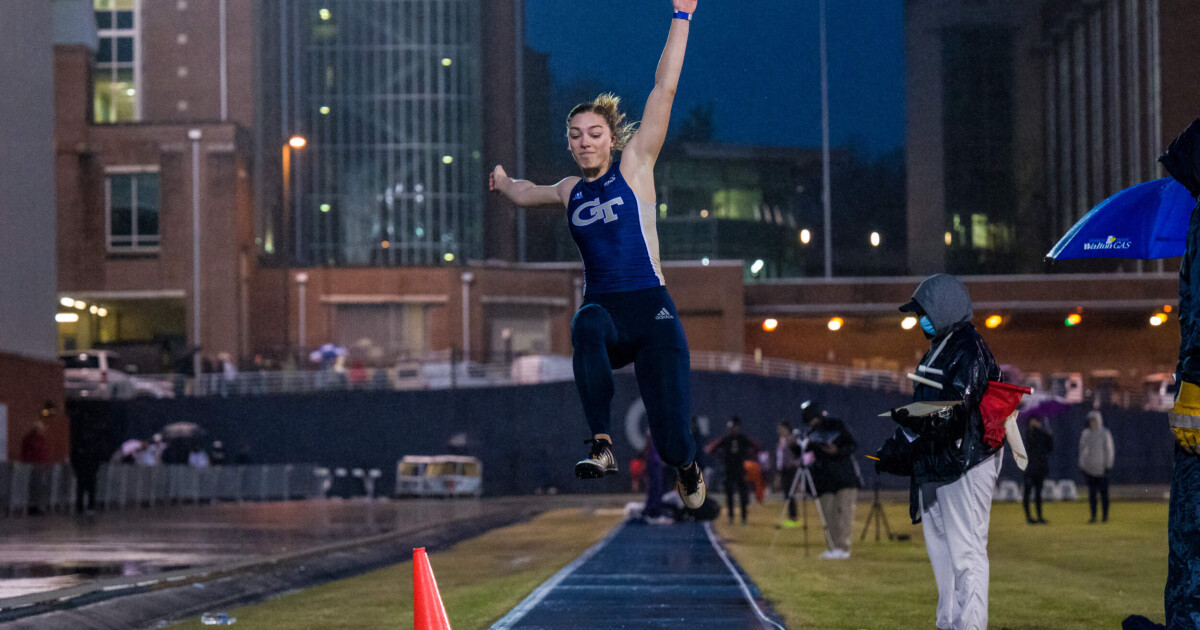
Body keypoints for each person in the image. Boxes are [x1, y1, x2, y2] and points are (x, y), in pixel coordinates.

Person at [489, 0, 705, 509]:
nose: (585, 143)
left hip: (651, 313)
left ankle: (688, 467)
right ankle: (602, 444)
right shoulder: (568, 190)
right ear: (570, 143)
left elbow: (664, 89)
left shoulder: (636, 166)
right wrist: (502, 182)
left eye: (594, 134)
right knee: (585, 323)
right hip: (607, 312)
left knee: (671, 439)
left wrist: (682, 16)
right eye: (576, 136)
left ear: (611, 138)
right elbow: (526, 192)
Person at [873, 274, 1002, 630]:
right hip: (939, 463)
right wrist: (900, 447)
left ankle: (970, 625)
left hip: (964, 462)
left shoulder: (968, 347)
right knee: (943, 552)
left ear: (945, 308)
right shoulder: (941, 346)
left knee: (966, 551)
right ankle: (948, 623)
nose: (920, 319)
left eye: (925, 311)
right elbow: (932, 409)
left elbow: (957, 409)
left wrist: (913, 429)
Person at [800, 400, 862, 559]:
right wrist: (797, 445)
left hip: (844, 478)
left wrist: (837, 450)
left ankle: (843, 548)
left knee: (843, 513)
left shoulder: (836, 424)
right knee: (828, 515)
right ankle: (833, 547)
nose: (812, 423)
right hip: (824, 481)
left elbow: (853, 445)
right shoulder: (809, 433)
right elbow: (805, 454)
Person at [706, 416, 759, 525]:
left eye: (734, 427)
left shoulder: (742, 439)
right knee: (729, 495)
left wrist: (747, 455)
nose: (733, 429)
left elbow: (757, 448)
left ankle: (743, 517)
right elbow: (711, 449)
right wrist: (720, 457)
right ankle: (731, 517)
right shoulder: (726, 439)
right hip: (728, 471)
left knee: (742, 495)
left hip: (740, 470)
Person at [1079, 409, 1115, 523]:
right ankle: (1093, 516)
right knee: (1092, 494)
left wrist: (1108, 465)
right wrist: (1083, 464)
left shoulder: (1104, 433)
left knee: (1104, 494)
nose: (1092, 423)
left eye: (1094, 420)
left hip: (1102, 468)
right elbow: (1082, 450)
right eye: (1090, 420)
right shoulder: (1086, 434)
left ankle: (1105, 516)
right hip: (1090, 469)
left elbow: (1109, 450)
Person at [1022, 415, 1053, 525]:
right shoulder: (1028, 433)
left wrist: (1049, 435)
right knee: (1027, 493)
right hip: (1029, 467)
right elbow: (1030, 444)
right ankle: (1029, 517)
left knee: (1038, 493)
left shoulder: (1042, 434)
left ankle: (1040, 517)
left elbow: (1049, 449)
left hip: (1040, 467)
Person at [775, 421, 800, 527]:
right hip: (784, 469)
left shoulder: (791, 439)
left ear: (786, 428)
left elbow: (797, 454)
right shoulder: (781, 440)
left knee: (790, 493)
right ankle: (791, 516)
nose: (778, 430)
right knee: (787, 493)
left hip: (791, 469)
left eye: (780, 428)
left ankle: (793, 518)